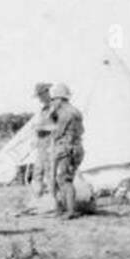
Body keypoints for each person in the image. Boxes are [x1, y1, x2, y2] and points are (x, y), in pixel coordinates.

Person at [48, 82, 84, 218]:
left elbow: (57, 133)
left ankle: (70, 211)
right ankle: (64, 208)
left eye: (53, 99)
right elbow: (81, 130)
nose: (53, 102)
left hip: (66, 149)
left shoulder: (64, 114)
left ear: (59, 99)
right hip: (77, 147)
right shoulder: (76, 112)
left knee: (63, 180)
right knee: (65, 179)